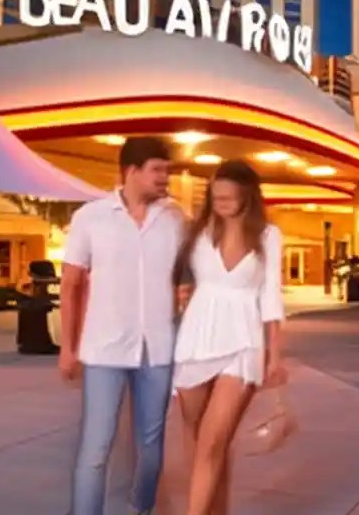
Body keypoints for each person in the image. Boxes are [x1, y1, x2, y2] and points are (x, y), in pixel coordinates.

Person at [58, 136, 185, 515]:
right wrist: (68, 347)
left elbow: (191, 275)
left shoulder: (175, 219)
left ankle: (138, 508)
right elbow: (71, 284)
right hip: (104, 350)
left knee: (151, 449)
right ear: (132, 171)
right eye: (157, 170)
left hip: (159, 349)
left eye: (167, 170)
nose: (165, 178)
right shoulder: (91, 217)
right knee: (95, 448)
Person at [170, 159, 286, 515]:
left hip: (243, 341)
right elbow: (179, 278)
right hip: (195, 339)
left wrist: (275, 356)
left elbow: (271, 297)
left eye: (228, 198)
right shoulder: (197, 232)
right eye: (216, 197)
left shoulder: (268, 236)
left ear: (247, 196)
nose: (220, 203)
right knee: (197, 439)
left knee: (212, 441)